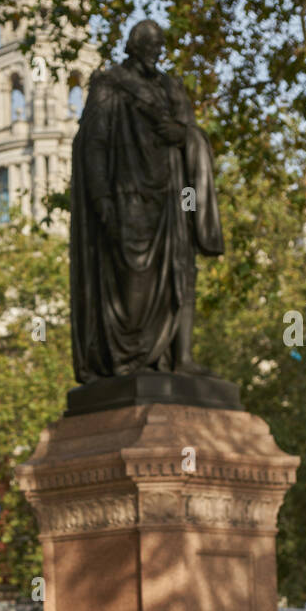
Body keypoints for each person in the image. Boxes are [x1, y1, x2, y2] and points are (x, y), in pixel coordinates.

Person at [70, 19, 224, 381]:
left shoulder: (171, 87)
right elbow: (94, 142)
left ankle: (182, 358)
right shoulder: (111, 85)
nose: (157, 52)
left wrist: (183, 134)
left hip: (175, 199)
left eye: (160, 46)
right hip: (129, 198)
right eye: (150, 45)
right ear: (134, 46)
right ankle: (130, 358)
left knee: (182, 272)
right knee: (133, 276)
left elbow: (189, 132)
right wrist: (101, 197)